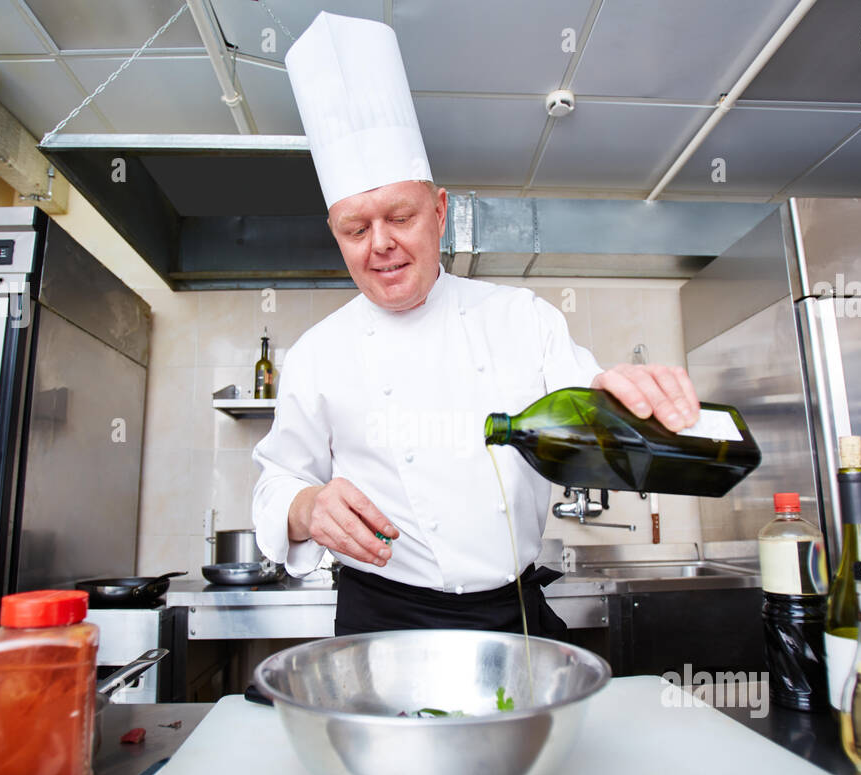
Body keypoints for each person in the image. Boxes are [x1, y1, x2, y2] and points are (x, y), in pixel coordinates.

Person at [252, 13, 698, 638]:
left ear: (439, 213)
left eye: (400, 217)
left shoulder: (523, 319)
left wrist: (628, 400)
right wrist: (306, 506)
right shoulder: (317, 354)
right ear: (337, 236)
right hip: (382, 616)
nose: (380, 245)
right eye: (356, 229)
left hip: (510, 611)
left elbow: (592, 410)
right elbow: (278, 483)